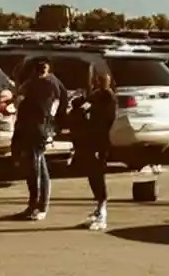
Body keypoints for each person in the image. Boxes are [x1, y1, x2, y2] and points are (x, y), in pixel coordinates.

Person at [12, 58, 68, 221]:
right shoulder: (33, 83)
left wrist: (50, 129)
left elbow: (51, 110)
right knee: (33, 167)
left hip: (39, 130)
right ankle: (33, 204)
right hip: (30, 129)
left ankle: (40, 205)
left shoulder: (50, 85)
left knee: (37, 168)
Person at [70, 67, 116, 230]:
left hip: (100, 142)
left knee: (98, 174)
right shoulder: (95, 95)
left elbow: (107, 118)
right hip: (89, 141)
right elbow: (79, 107)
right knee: (91, 173)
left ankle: (102, 209)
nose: (98, 81)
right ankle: (98, 207)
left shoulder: (108, 97)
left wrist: (88, 108)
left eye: (101, 79)